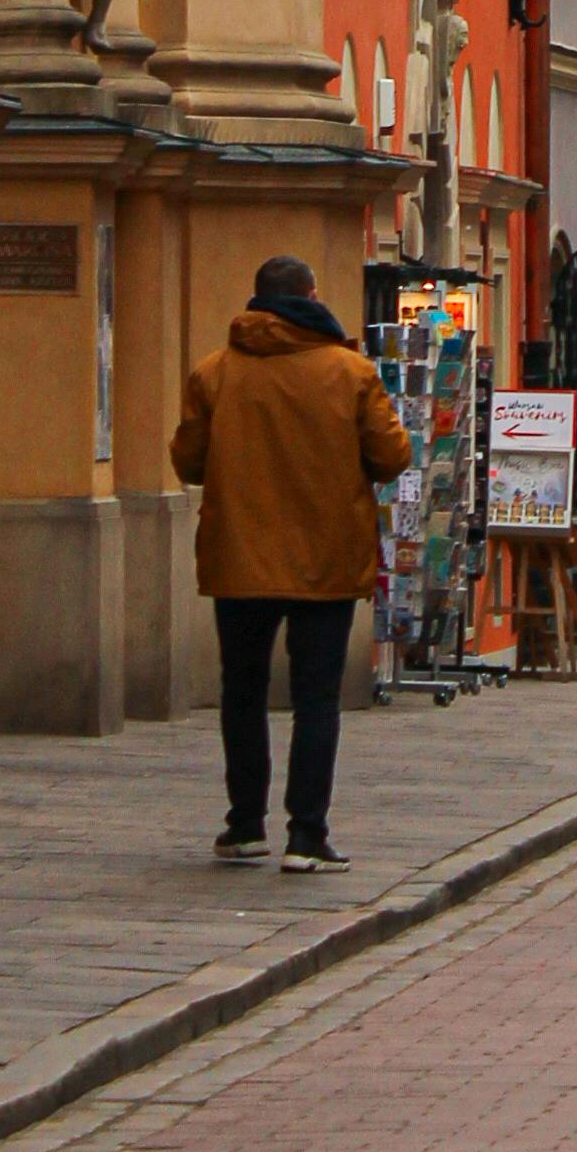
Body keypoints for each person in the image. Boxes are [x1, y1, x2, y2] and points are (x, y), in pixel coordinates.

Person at [170, 254, 410, 870]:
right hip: (327, 558)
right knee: (316, 698)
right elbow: (391, 455)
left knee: (243, 692)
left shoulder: (214, 373)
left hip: (240, 556)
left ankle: (244, 824)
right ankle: (306, 834)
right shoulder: (350, 372)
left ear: (257, 302)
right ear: (310, 295)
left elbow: (189, 461)